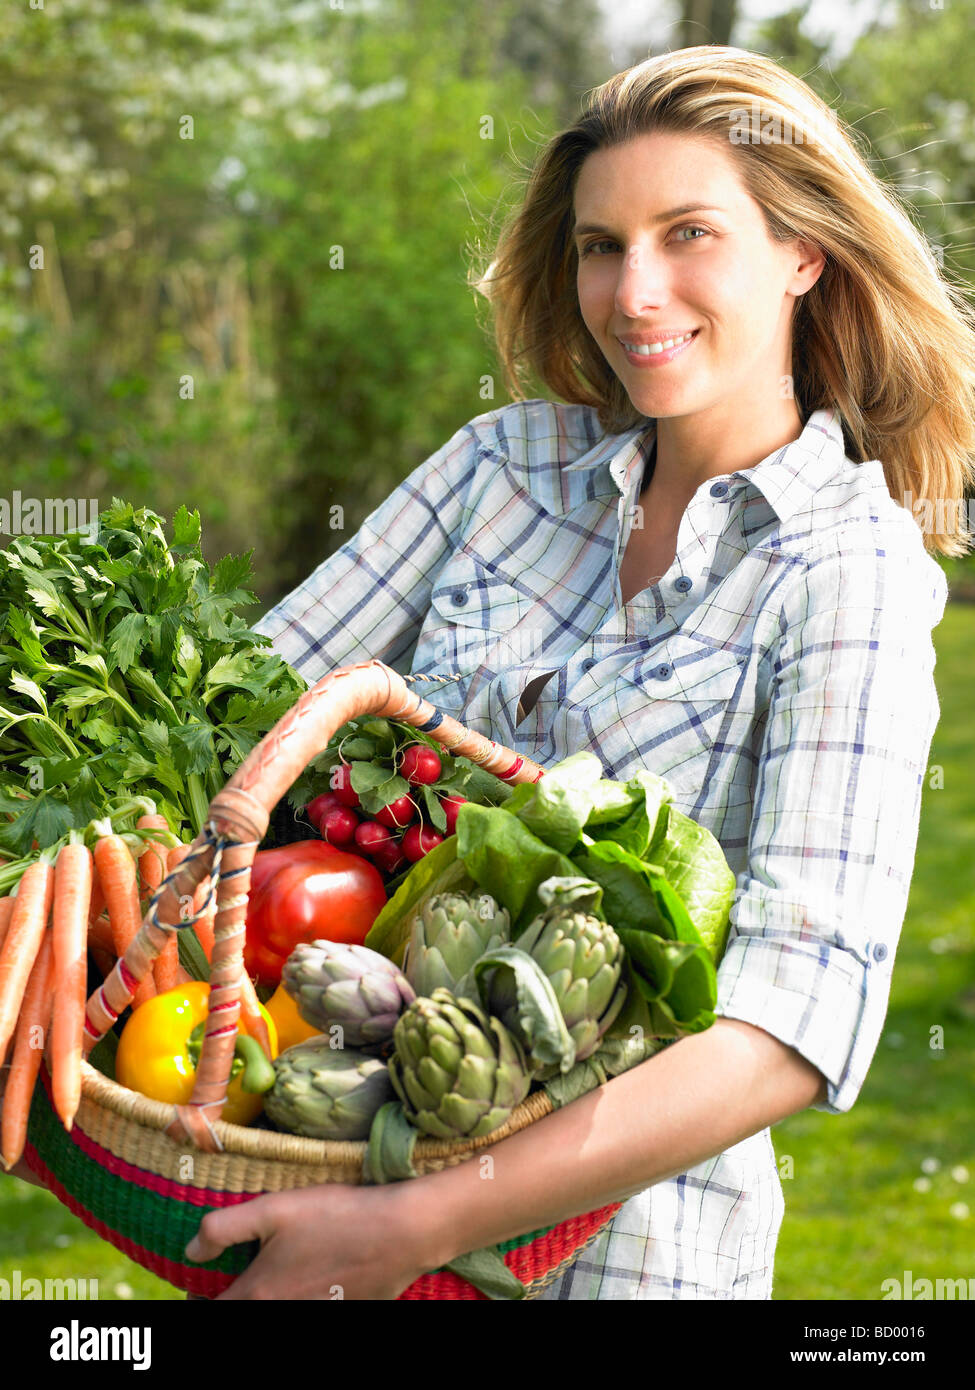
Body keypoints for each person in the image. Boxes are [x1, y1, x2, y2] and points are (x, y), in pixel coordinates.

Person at [183, 45, 975, 1299]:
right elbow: (231, 709)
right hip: (318, 1178)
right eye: (602, 245)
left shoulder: (848, 571)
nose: (635, 291)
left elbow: (789, 1026)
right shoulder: (502, 471)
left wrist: (418, 1227)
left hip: (628, 1262)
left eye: (690, 233)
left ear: (804, 255)